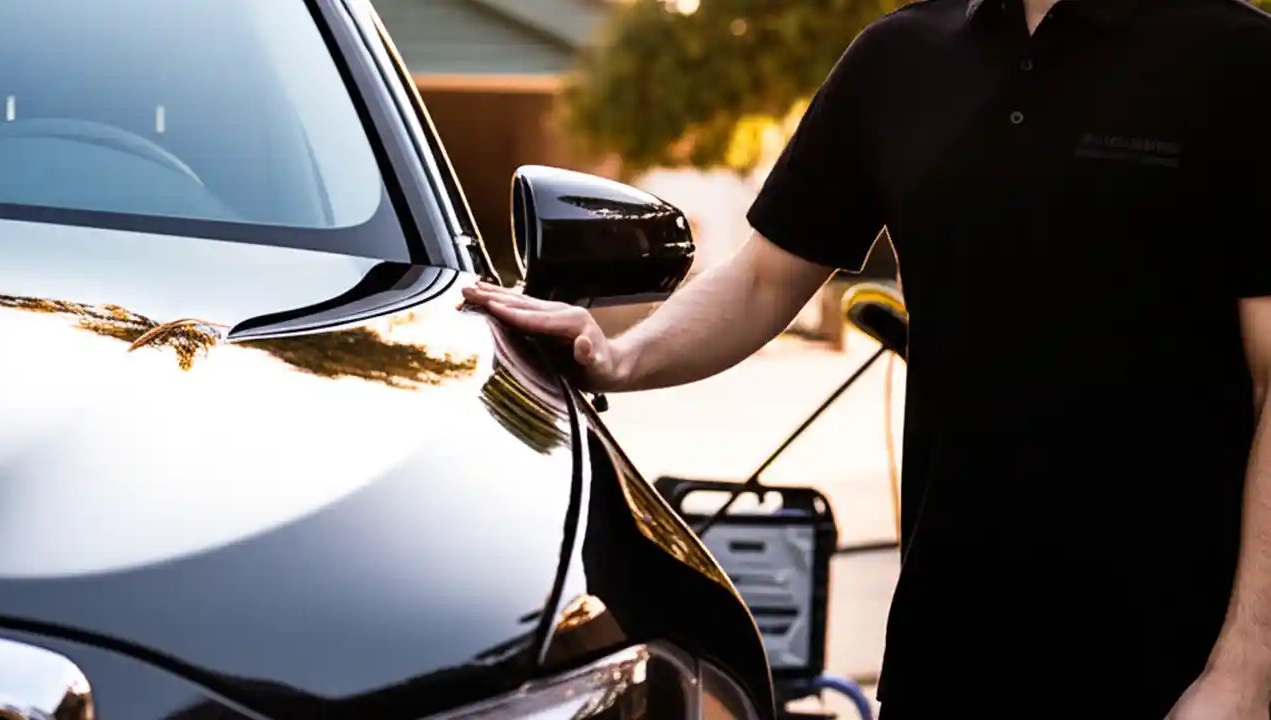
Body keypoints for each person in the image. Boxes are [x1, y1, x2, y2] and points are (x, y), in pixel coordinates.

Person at [464, 0, 1271, 715]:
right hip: (947, 652)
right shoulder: (899, 59)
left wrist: (1246, 672)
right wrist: (620, 354)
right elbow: (760, 278)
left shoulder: (1238, 61)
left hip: (1174, 664)